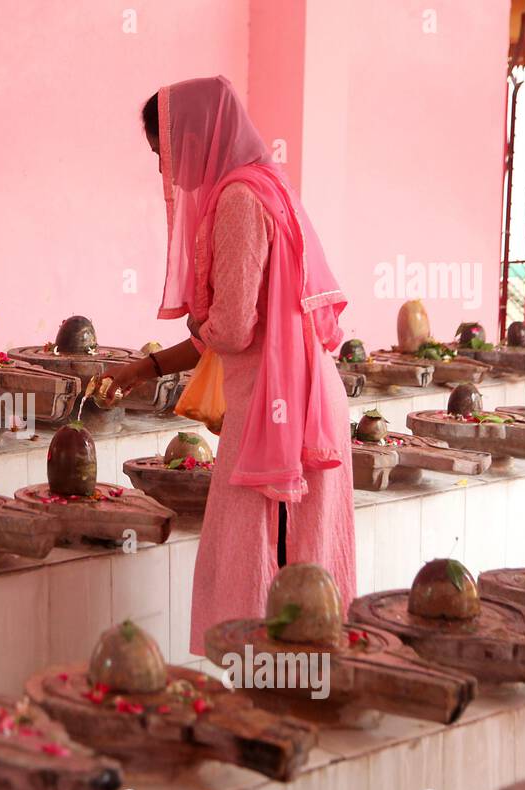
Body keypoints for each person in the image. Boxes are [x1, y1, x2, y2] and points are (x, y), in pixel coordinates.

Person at [108, 76, 356, 654]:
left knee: (271, 558)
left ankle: (278, 699)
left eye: (166, 155)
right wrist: (146, 369)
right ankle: (286, 695)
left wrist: (192, 330)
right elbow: (239, 327)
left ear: (198, 139)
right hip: (294, 397)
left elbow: (232, 328)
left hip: (283, 410)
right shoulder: (267, 186)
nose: (168, 173)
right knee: (291, 559)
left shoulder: (240, 201)